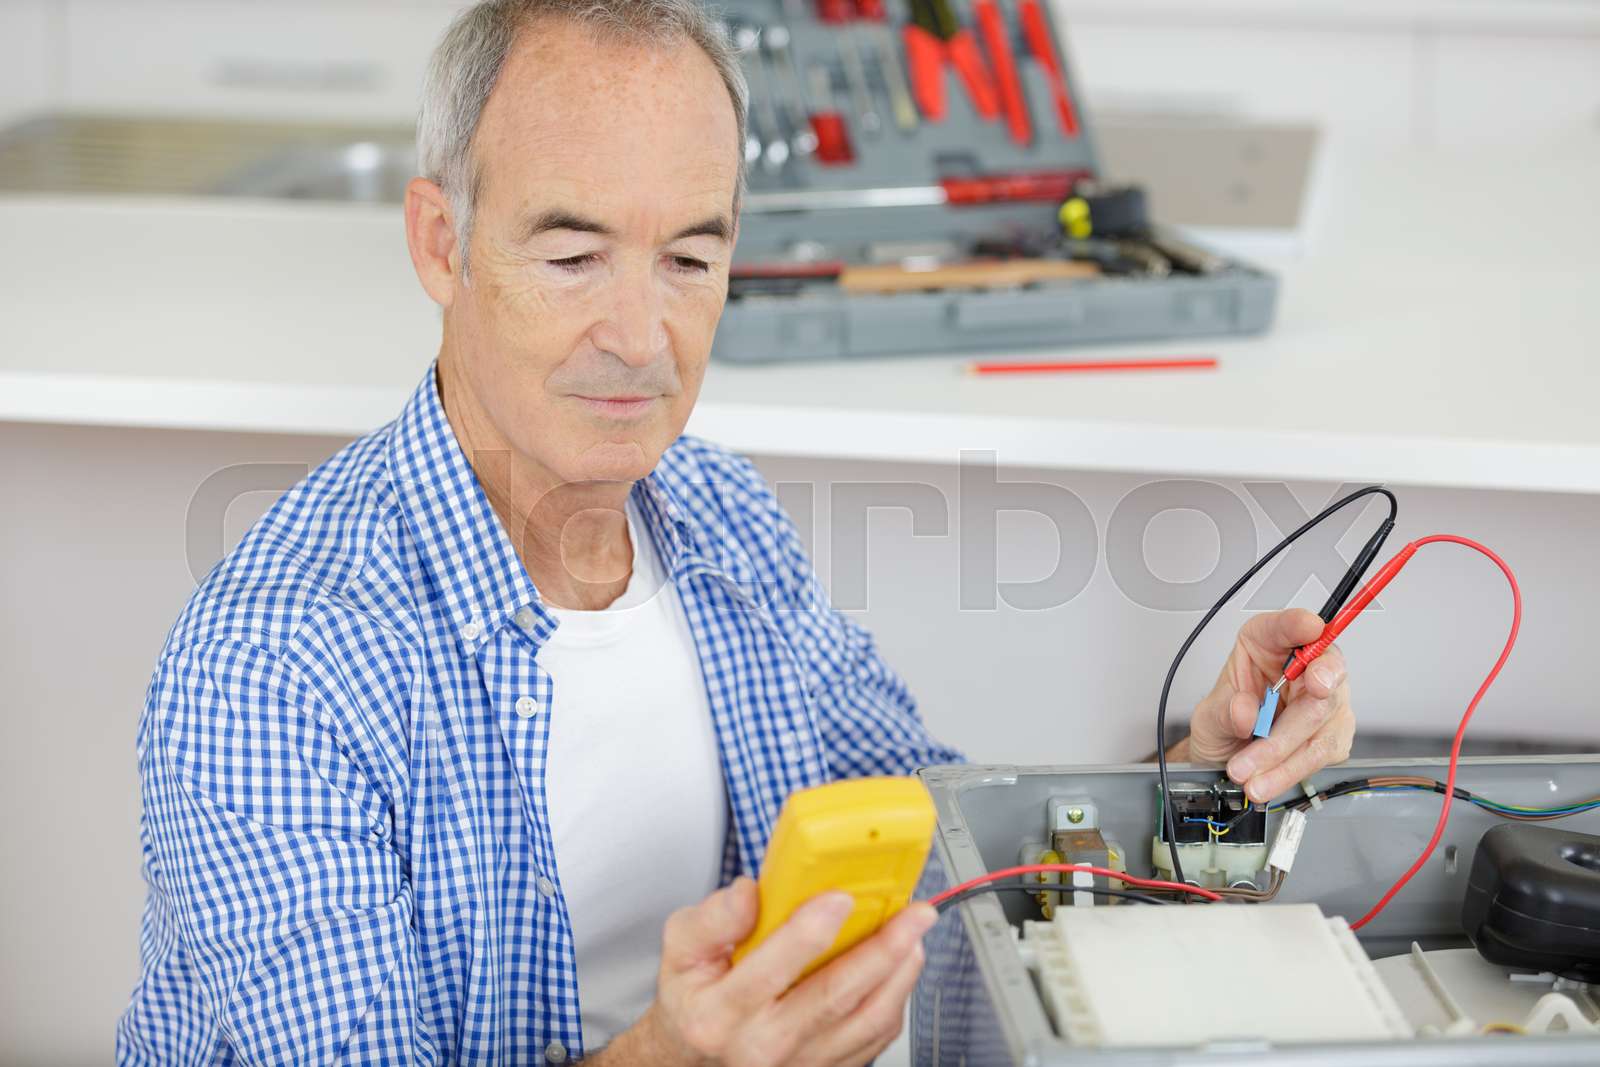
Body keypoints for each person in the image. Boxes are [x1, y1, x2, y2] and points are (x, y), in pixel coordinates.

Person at [116, 1, 1355, 1062]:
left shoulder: (720, 516)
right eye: (572, 252)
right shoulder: (274, 669)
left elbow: (944, 854)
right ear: (442, 243)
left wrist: (1194, 780)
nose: (641, 336)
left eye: (687, 259)